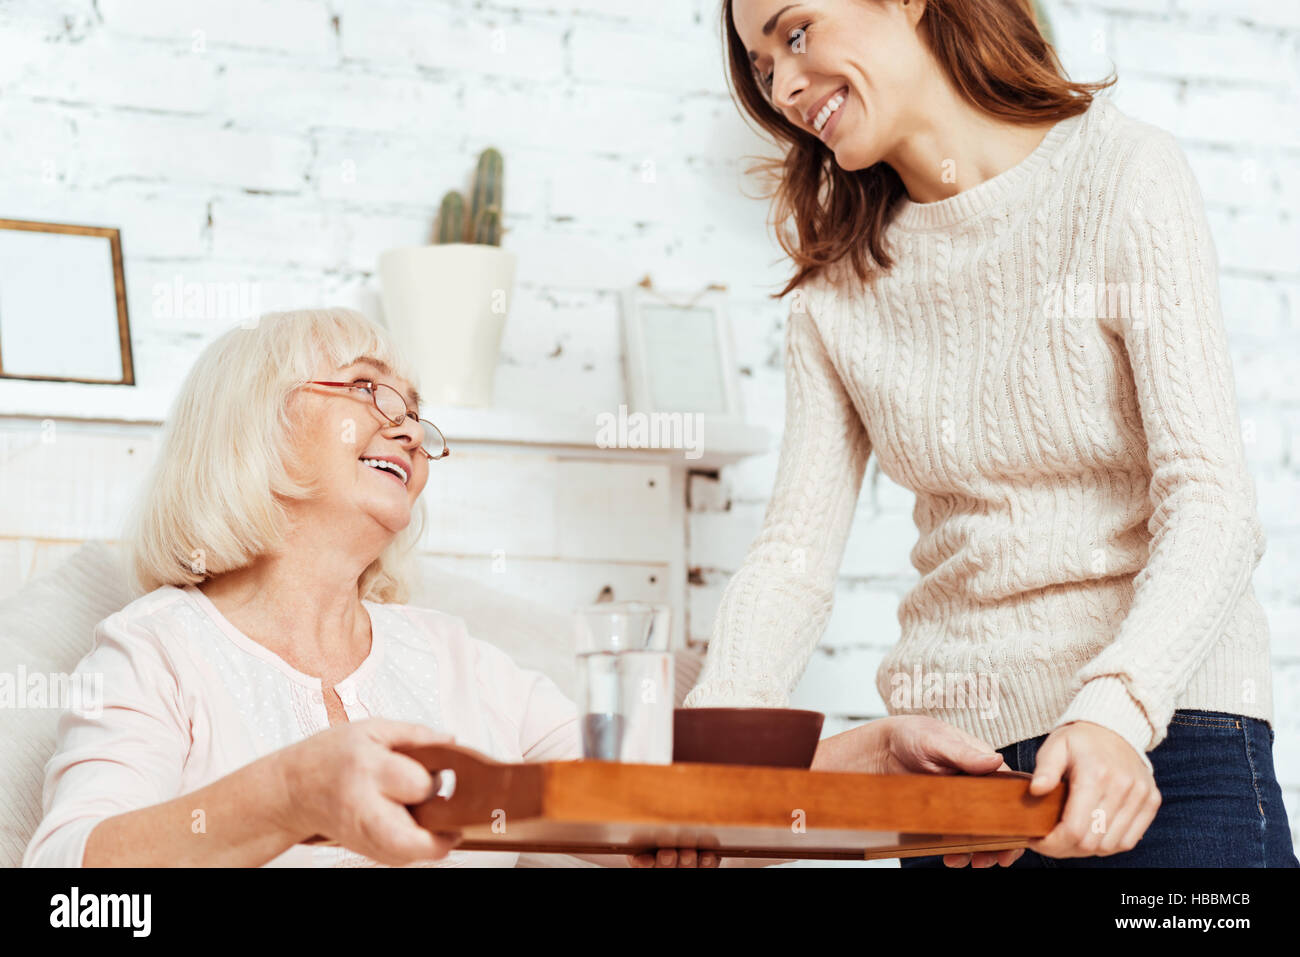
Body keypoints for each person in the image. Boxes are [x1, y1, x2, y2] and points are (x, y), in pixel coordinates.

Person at [23, 306, 1018, 869]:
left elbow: (645, 789)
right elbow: (69, 882)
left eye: (415, 413)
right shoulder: (155, 647)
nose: (407, 428)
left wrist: (872, 757)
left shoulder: (445, 655)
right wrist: (292, 793)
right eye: (366, 390)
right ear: (245, 424)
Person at [685, 0, 1298, 867]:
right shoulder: (837, 287)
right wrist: (710, 771)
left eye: (795, 32)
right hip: (961, 792)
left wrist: (1114, 710)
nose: (782, 83)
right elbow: (791, 557)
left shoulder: (1122, 172)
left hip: (1168, 743)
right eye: (758, 63)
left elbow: (1211, 498)